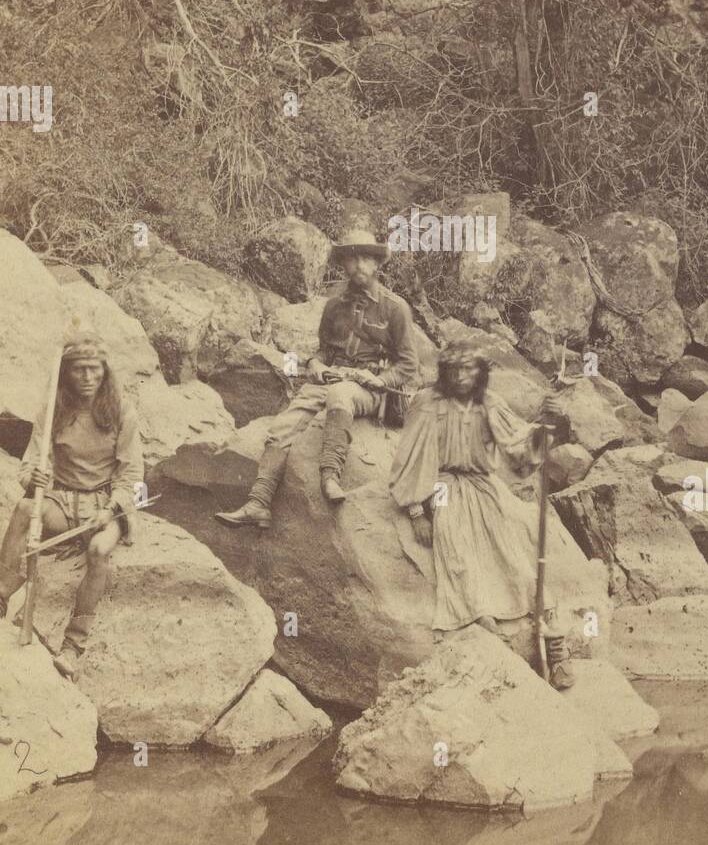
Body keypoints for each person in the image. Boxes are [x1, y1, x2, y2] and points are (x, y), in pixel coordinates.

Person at [215, 228, 420, 527]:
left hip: (370, 388)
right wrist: (314, 364)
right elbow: (325, 350)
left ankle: (330, 476)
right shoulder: (334, 307)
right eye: (351, 259)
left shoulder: (395, 308)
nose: (359, 266)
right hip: (332, 380)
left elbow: (408, 365)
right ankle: (258, 502)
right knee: (282, 425)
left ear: (377, 265)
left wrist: (381, 380)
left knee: (341, 395)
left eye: (365, 258)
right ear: (344, 266)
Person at [0, 333, 143, 681]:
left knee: (97, 550)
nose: (88, 377)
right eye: (79, 370)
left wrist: (110, 510)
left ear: (104, 371)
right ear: (67, 373)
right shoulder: (53, 409)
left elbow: (133, 476)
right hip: (62, 501)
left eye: (94, 369)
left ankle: (73, 646)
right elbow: (29, 465)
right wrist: (33, 478)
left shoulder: (122, 411)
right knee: (23, 510)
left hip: (106, 505)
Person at [388, 338, 568, 655]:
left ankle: (550, 629)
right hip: (442, 484)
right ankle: (481, 618)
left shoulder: (489, 403)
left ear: (480, 372)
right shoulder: (427, 402)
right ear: (445, 371)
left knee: (511, 546)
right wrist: (416, 512)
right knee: (454, 544)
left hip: (484, 483)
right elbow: (410, 459)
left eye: (468, 369)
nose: (460, 377)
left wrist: (549, 425)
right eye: (454, 370)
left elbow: (518, 443)